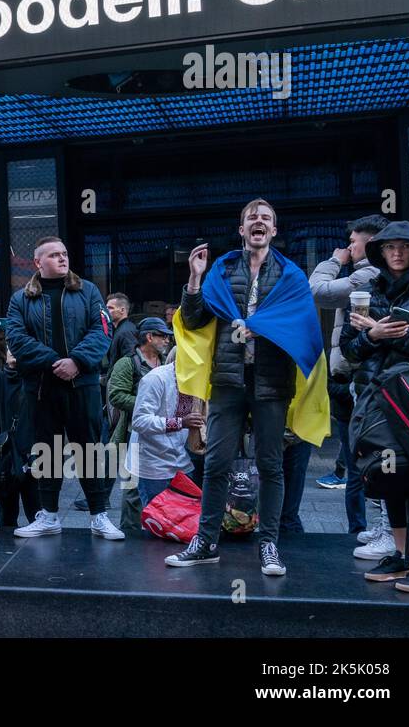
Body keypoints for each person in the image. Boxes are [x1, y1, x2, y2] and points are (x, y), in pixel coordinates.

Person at [166, 199, 328, 577]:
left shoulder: (290, 275)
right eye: (251, 218)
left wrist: (265, 326)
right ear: (241, 230)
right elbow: (193, 318)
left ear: (274, 230)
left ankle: (269, 544)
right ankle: (205, 542)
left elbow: (301, 325)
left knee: (271, 465)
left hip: (271, 382)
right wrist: (194, 277)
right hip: (228, 380)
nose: (259, 222)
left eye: (266, 218)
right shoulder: (220, 269)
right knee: (216, 463)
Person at [340, 220, 409, 593]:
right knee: (388, 477)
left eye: (405, 247)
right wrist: (371, 335)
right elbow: (350, 350)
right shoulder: (365, 290)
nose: (397, 253)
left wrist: (387, 329)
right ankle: (401, 554)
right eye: (389, 247)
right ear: (380, 252)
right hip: (372, 396)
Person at [6, 236, 121, 541]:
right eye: (54, 255)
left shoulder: (88, 290)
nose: (62, 258)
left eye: (64, 253)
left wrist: (78, 361)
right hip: (42, 387)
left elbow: (102, 330)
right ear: (37, 263)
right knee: (47, 452)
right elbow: (16, 338)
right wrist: (56, 361)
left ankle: (99, 516)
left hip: (81, 385)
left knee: (89, 450)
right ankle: (48, 516)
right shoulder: (22, 299)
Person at [309, 215, 387, 543]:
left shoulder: (369, 275)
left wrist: (332, 261)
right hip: (350, 380)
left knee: (369, 458)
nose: (348, 248)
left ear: (368, 244)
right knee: (356, 458)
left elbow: (316, 290)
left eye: (353, 242)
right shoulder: (364, 273)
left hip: (363, 379)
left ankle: (378, 528)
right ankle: (368, 529)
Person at [107, 317, 173, 531]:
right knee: (132, 488)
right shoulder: (127, 363)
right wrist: (148, 407)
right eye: (162, 336)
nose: (167, 340)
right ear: (149, 337)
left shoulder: (166, 363)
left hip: (160, 435)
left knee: (161, 485)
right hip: (133, 434)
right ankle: (129, 532)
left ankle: (157, 529)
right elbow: (116, 396)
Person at [0, 340, 41, 529]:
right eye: (9, 348)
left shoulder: (34, 381)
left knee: (37, 514)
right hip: (3, 455)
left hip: (29, 454)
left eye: (17, 348)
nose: (13, 351)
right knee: (6, 518)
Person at [130, 353, 203, 512]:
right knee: (157, 521)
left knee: (183, 520)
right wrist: (180, 423)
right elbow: (139, 421)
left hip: (183, 463)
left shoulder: (197, 382)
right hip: (154, 465)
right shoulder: (156, 379)